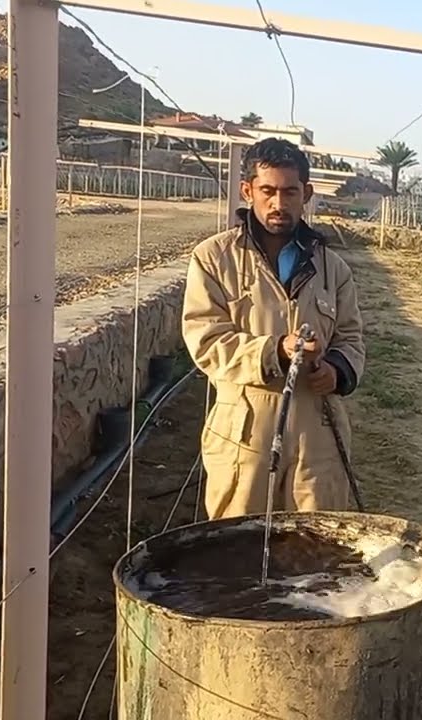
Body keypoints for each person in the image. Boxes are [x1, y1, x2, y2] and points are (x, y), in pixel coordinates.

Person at [181, 137, 365, 520]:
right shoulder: (214, 259)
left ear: (306, 193)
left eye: (289, 192)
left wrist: (336, 370)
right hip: (245, 435)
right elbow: (206, 341)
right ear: (247, 190)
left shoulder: (334, 269)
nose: (279, 203)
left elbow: (351, 338)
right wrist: (276, 350)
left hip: (319, 432)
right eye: (268, 191)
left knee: (315, 549)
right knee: (238, 547)